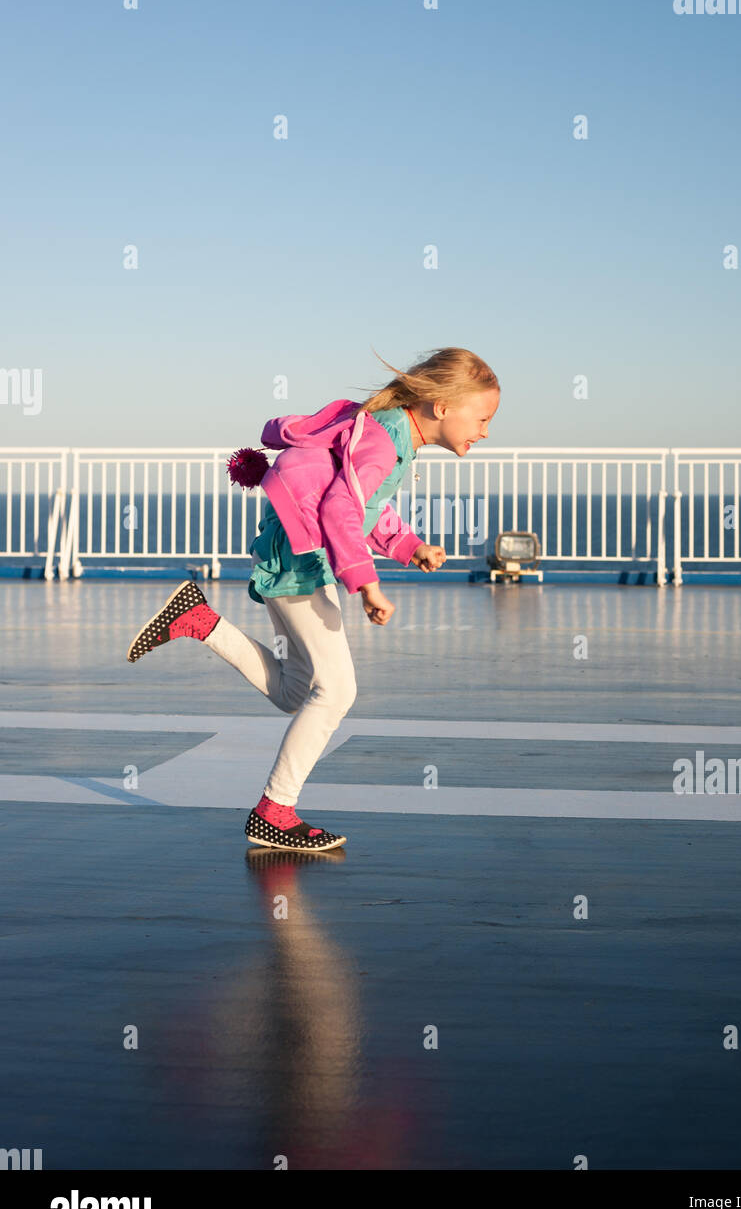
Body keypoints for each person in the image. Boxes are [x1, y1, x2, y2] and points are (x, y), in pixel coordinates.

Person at [126, 347, 500, 852]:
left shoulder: (389, 436)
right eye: (482, 417)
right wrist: (367, 585)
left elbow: (362, 507)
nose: (485, 430)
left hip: (296, 550)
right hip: (302, 558)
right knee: (337, 692)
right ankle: (274, 811)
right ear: (441, 406)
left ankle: (199, 621)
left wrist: (411, 547)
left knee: (295, 693)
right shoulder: (384, 442)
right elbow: (342, 507)